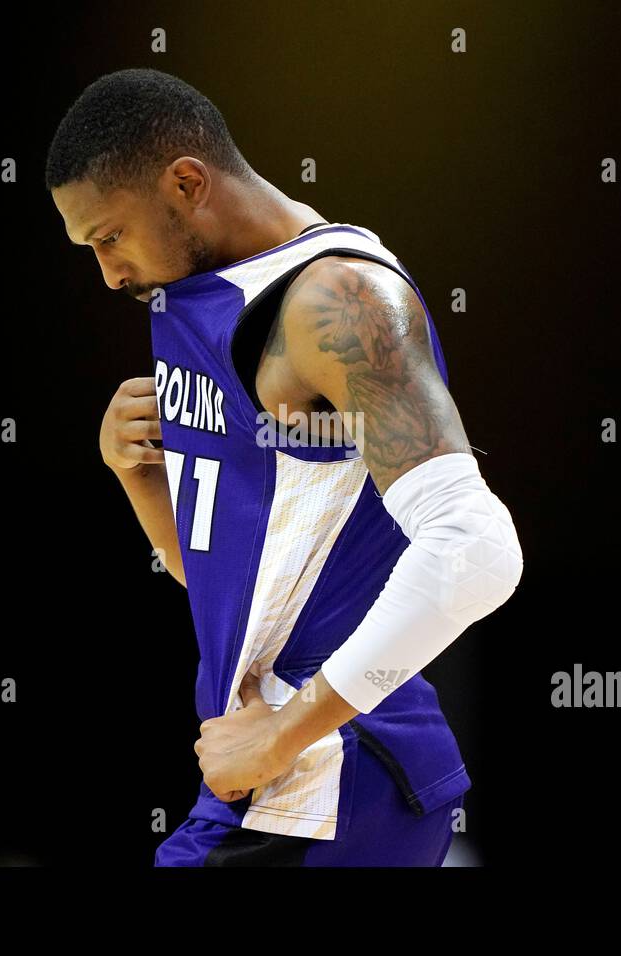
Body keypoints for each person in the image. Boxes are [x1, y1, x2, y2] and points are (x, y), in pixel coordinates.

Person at [45, 69, 523, 865]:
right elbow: (242, 585)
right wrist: (139, 478)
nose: (109, 274)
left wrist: (282, 732)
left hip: (337, 772)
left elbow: (476, 550)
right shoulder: (202, 290)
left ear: (188, 183)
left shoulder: (333, 301)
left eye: (108, 237)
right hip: (269, 779)